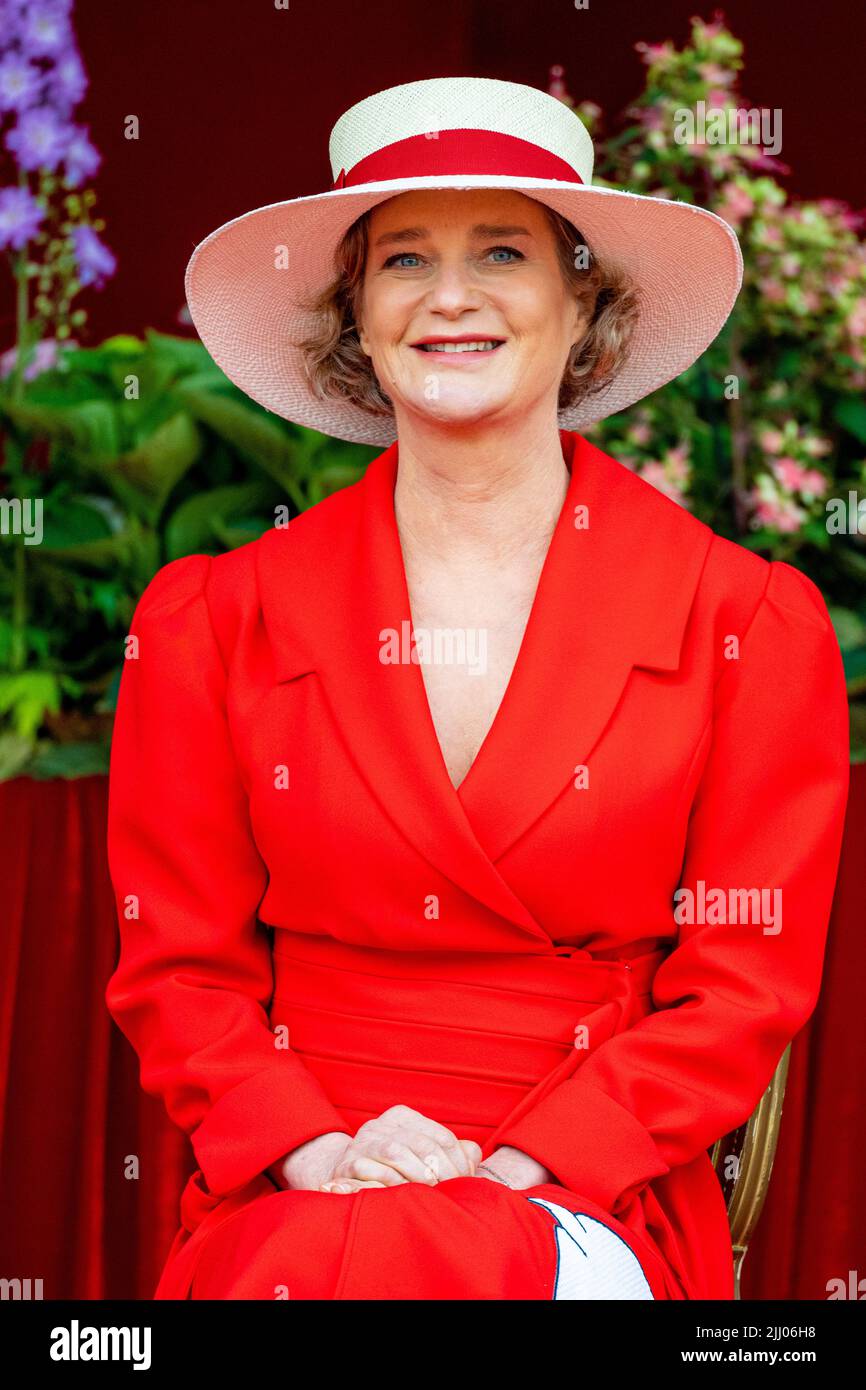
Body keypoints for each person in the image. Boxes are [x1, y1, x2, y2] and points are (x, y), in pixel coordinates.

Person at [104, 75, 850, 1300]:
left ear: (581, 301)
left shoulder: (744, 621)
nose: (449, 297)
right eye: (403, 260)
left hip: (583, 1186)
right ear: (356, 313)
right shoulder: (211, 619)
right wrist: (319, 1149)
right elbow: (176, 969)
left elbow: (741, 987)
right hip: (299, 1183)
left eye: (500, 250)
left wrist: (515, 1170)